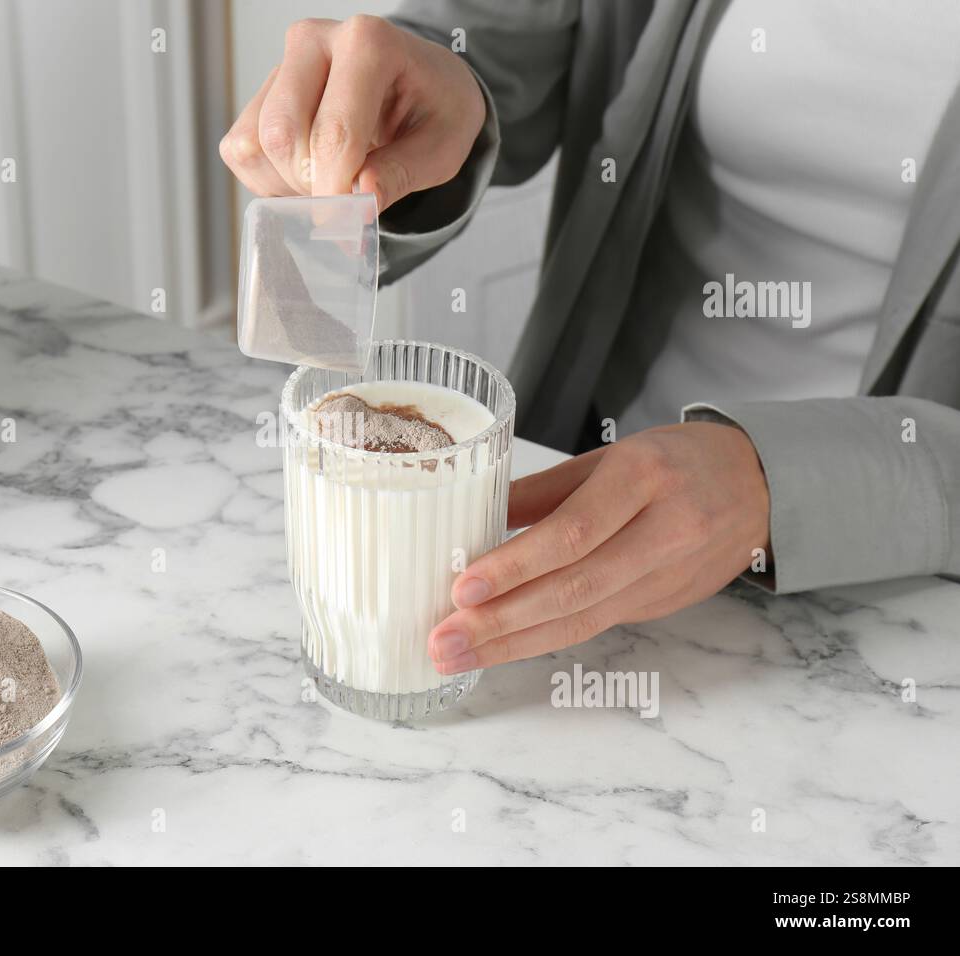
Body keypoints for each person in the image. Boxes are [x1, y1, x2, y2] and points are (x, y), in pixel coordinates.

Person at [219, 1, 960, 677]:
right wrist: (413, 93)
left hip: (909, 616)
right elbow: (497, 50)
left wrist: (774, 484)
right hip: (584, 485)